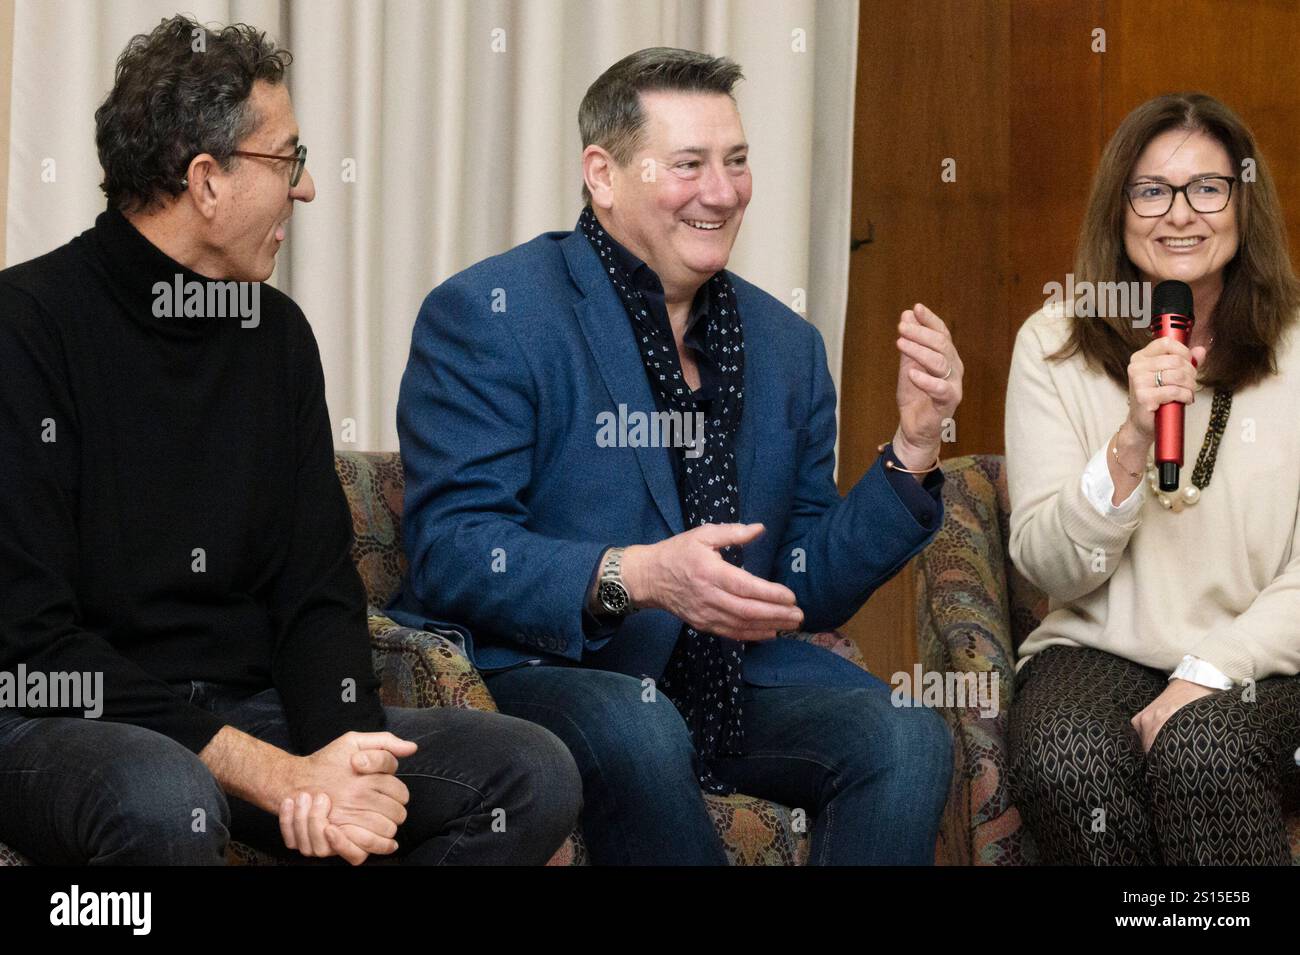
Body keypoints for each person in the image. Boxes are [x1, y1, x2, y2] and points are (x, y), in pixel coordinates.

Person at [0, 15, 580, 866]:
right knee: (168, 798)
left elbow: (315, 587)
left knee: (529, 770)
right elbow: (34, 643)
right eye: (289, 160)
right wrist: (275, 775)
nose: (306, 190)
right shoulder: (27, 327)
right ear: (206, 180)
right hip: (64, 720)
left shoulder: (275, 336)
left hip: (247, 711)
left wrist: (344, 759)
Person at [390, 47, 959, 865]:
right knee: (638, 719)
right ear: (603, 173)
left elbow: (801, 583)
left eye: (736, 162)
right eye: (688, 164)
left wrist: (912, 447)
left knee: (906, 734)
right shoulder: (493, 313)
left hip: (728, 681)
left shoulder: (786, 345)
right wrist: (637, 575)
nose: (722, 193)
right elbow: (453, 548)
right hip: (543, 671)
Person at [1005, 92, 1300, 865]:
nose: (1180, 215)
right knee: (1069, 762)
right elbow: (1044, 561)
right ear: (1119, 208)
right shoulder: (1054, 341)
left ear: (1242, 204)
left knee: (1202, 750)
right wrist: (1133, 439)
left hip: (1264, 658)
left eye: (1207, 188)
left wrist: (1209, 670)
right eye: (1151, 191)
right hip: (1097, 649)